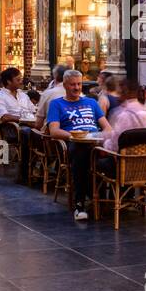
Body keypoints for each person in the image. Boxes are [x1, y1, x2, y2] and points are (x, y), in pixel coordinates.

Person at [45, 69, 111, 220]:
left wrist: (100, 136)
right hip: (74, 143)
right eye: (72, 85)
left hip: (95, 143)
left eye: (79, 84)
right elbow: (54, 131)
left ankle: (118, 198)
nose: (76, 88)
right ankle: (79, 203)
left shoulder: (91, 102)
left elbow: (107, 127)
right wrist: (76, 136)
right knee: (81, 152)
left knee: (114, 152)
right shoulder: (56, 104)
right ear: (65, 86)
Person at [102, 78, 146, 152]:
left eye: (119, 93)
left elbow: (114, 146)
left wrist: (104, 142)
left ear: (125, 93)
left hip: (126, 161)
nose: (117, 96)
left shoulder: (122, 114)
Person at [34, 64, 69, 129]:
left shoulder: (48, 94)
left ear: (55, 76)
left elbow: (38, 124)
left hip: (52, 135)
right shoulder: (78, 94)